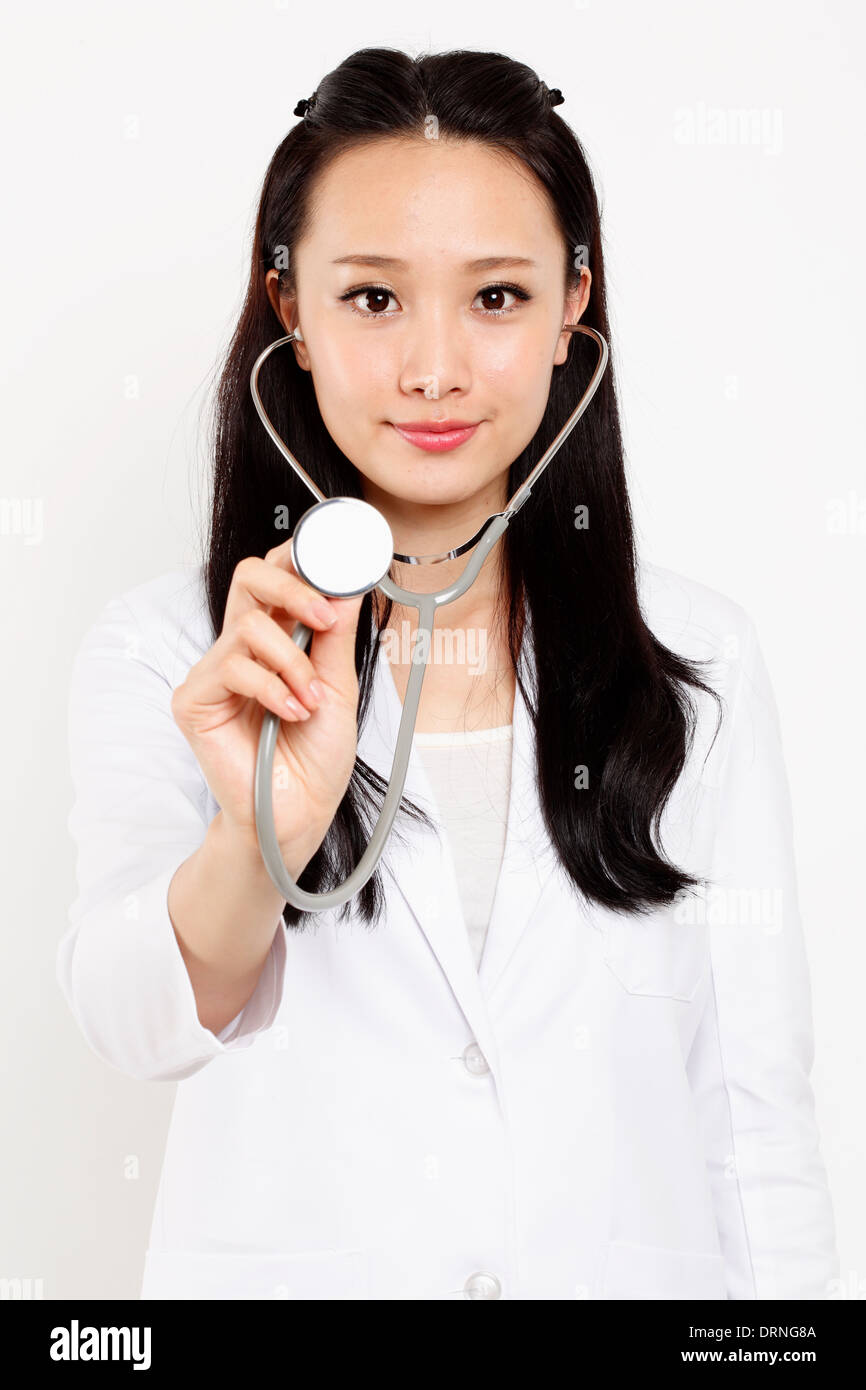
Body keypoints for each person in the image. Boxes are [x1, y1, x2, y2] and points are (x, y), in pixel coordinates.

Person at [58, 46, 839, 1301]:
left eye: (495, 299)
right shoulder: (172, 655)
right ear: (289, 313)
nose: (434, 369)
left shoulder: (698, 661)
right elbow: (132, 1019)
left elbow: (752, 1109)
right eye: (371, 298)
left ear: (570, 305)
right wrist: (265, 832)